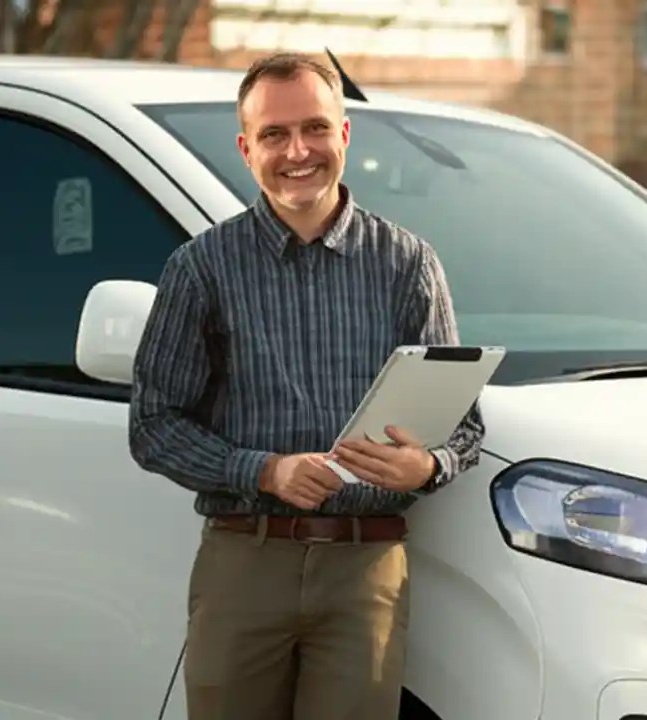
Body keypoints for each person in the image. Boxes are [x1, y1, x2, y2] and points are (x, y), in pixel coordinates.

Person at [127, 52, 484, 720]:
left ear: (344, 135)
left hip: (366, 570)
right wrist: (265, 471)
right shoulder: (201, 269)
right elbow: (153, 425)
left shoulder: (407, 265)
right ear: (246, 148)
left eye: (316, 129)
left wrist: (426, 465)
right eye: (274, 135)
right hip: (245, 561)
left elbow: (465, 426)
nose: (298, 152)